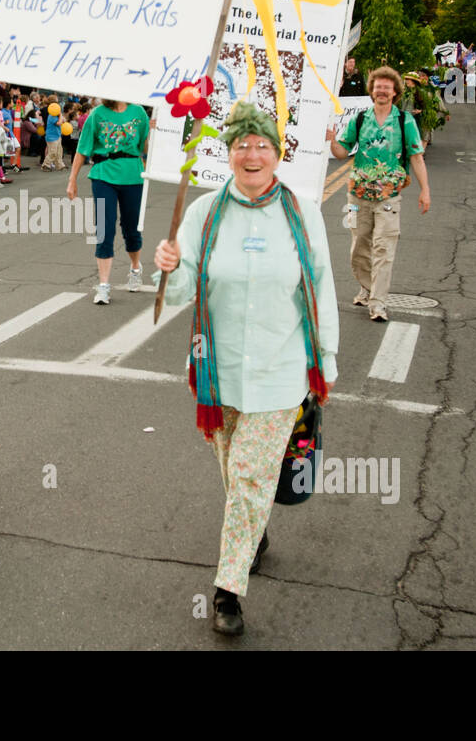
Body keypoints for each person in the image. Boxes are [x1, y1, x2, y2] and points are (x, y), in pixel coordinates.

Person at [153, 99, 338, 637]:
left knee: (251, 474)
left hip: (281, 373)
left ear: (278, 154)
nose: (251, 155)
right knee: (236, 473)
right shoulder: (204, 212)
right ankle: (253, 532)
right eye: (241, 146)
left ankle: (227, 589)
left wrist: (325, 361)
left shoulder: (302, 212)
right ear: (227, 152)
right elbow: (184, 288)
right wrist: (168, 266)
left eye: (262, 145)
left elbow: (321, 288)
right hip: (219, 374)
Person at [325, 66, 430, 322]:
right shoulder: (360, 119)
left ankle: (378, 303)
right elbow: (342, 153)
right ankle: (367, 287)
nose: (381, 91)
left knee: (384, 248)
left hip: (389, 197)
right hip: (358, 195)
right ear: (371, 91)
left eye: (387, 87)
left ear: (395, 92)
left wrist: (425, 190)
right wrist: (331, 140)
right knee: (359, 249)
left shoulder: (405, 122)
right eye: (378, 87)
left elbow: (416, 157)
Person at [68, 98, 151, 303]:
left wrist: (157, 134)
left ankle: (135, 268)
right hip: (103, 174)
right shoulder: (97, 114)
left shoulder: (139, 112)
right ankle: (104, 285)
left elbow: (146, 146)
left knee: (131, 227)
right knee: (104, 228)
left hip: (133, 175)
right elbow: (82, 149)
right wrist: (72, 180)